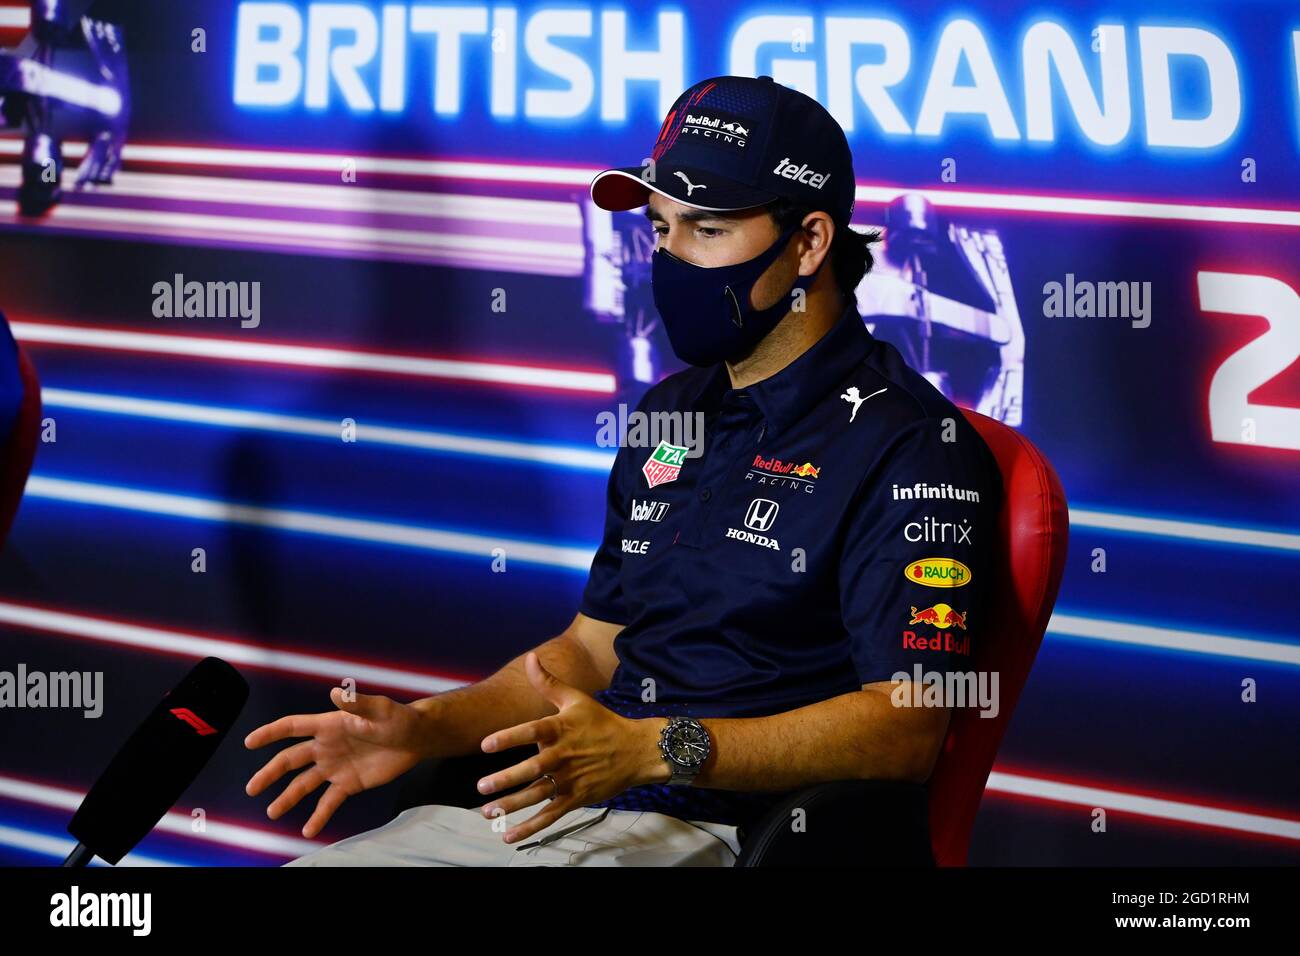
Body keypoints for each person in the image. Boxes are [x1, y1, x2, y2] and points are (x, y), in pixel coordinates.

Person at [245, 74, 1002, 867]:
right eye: (660, 228)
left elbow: (906, 727)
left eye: (705, 229)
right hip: (569, 805)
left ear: (810, 242)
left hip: (744, 840)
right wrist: (424, 727)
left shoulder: (910, 443)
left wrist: (656, 749)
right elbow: (592, 650)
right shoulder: (671, 411)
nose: (670, 258)